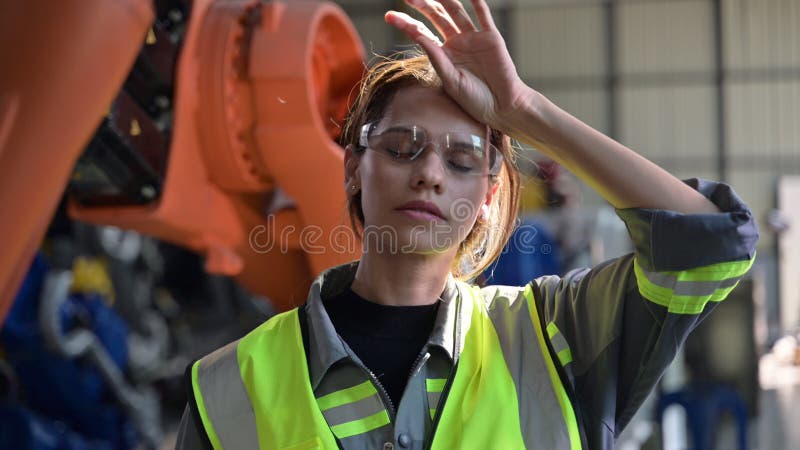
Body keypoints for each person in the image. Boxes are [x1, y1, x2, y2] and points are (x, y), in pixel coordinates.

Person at [175, 0, 758, 448]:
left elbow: (709, 247)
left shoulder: (555, 338)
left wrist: (524, 111)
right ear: (353, 167)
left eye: (461, 160)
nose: (429, 173)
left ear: (488, 195)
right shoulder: (228, 389)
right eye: (402, 147)